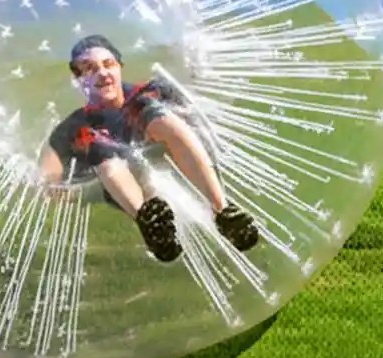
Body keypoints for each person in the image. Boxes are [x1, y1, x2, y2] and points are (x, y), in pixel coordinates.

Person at [39, 34, 259, 263]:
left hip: (164, 151)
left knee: (151, 109)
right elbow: (48, 177)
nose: (102, 73)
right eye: (89, 69)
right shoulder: (73, 127)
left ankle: (223, 211)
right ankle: (150, 224)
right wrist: (61, 190)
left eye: (108, 64)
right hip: (118, 183)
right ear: (78, 79)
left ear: (120, 67)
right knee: (96, 144)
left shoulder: (152, 92)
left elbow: (195, 116)